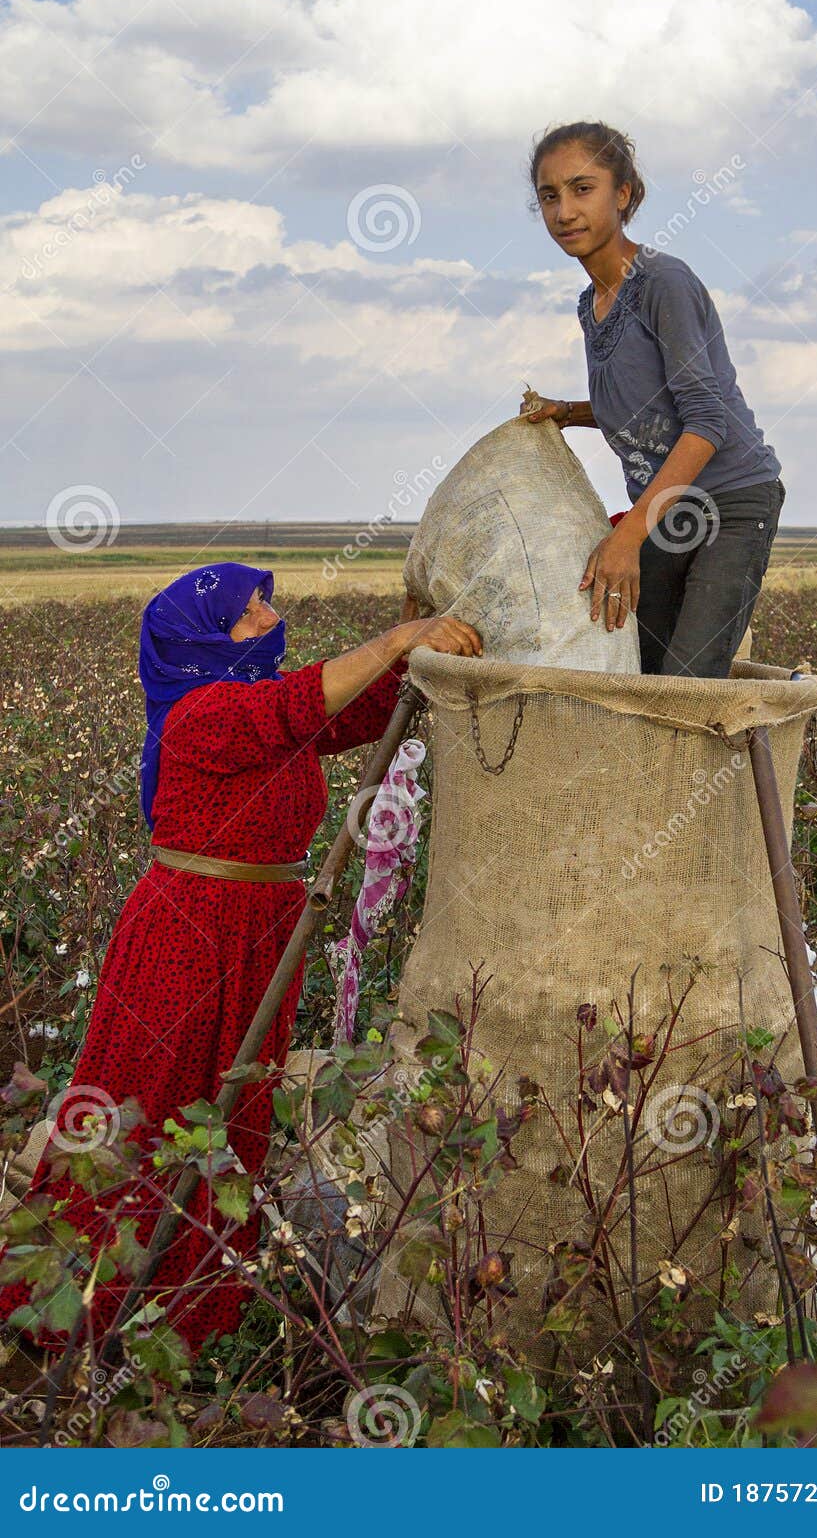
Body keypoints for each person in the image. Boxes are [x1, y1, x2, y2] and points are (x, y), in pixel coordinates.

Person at [0, 562, 481, 1363]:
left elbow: (353, 709)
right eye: (248, 609)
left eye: (264, 602)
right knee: (154, 1101)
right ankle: (77, 1306)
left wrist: (416, 652)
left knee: (235, 1106)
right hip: (189, 934)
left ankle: (189, 1313)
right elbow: (296, 705)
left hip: (258, 932)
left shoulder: (257, 702)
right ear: (200, 636)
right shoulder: (202, 713)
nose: (267, 616)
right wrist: (399, 636)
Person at [522, 119, 784, 678]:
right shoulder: (590, 304)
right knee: (636, 669)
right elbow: (645, 410)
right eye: (549, 196)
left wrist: (627, 537)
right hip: (667, 510)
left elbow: (706, 421)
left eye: (582, 188)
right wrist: (568, 412)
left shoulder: (663, 283)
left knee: (685, 684)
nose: (564, 211)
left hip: (732, 502)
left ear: (623, 195)